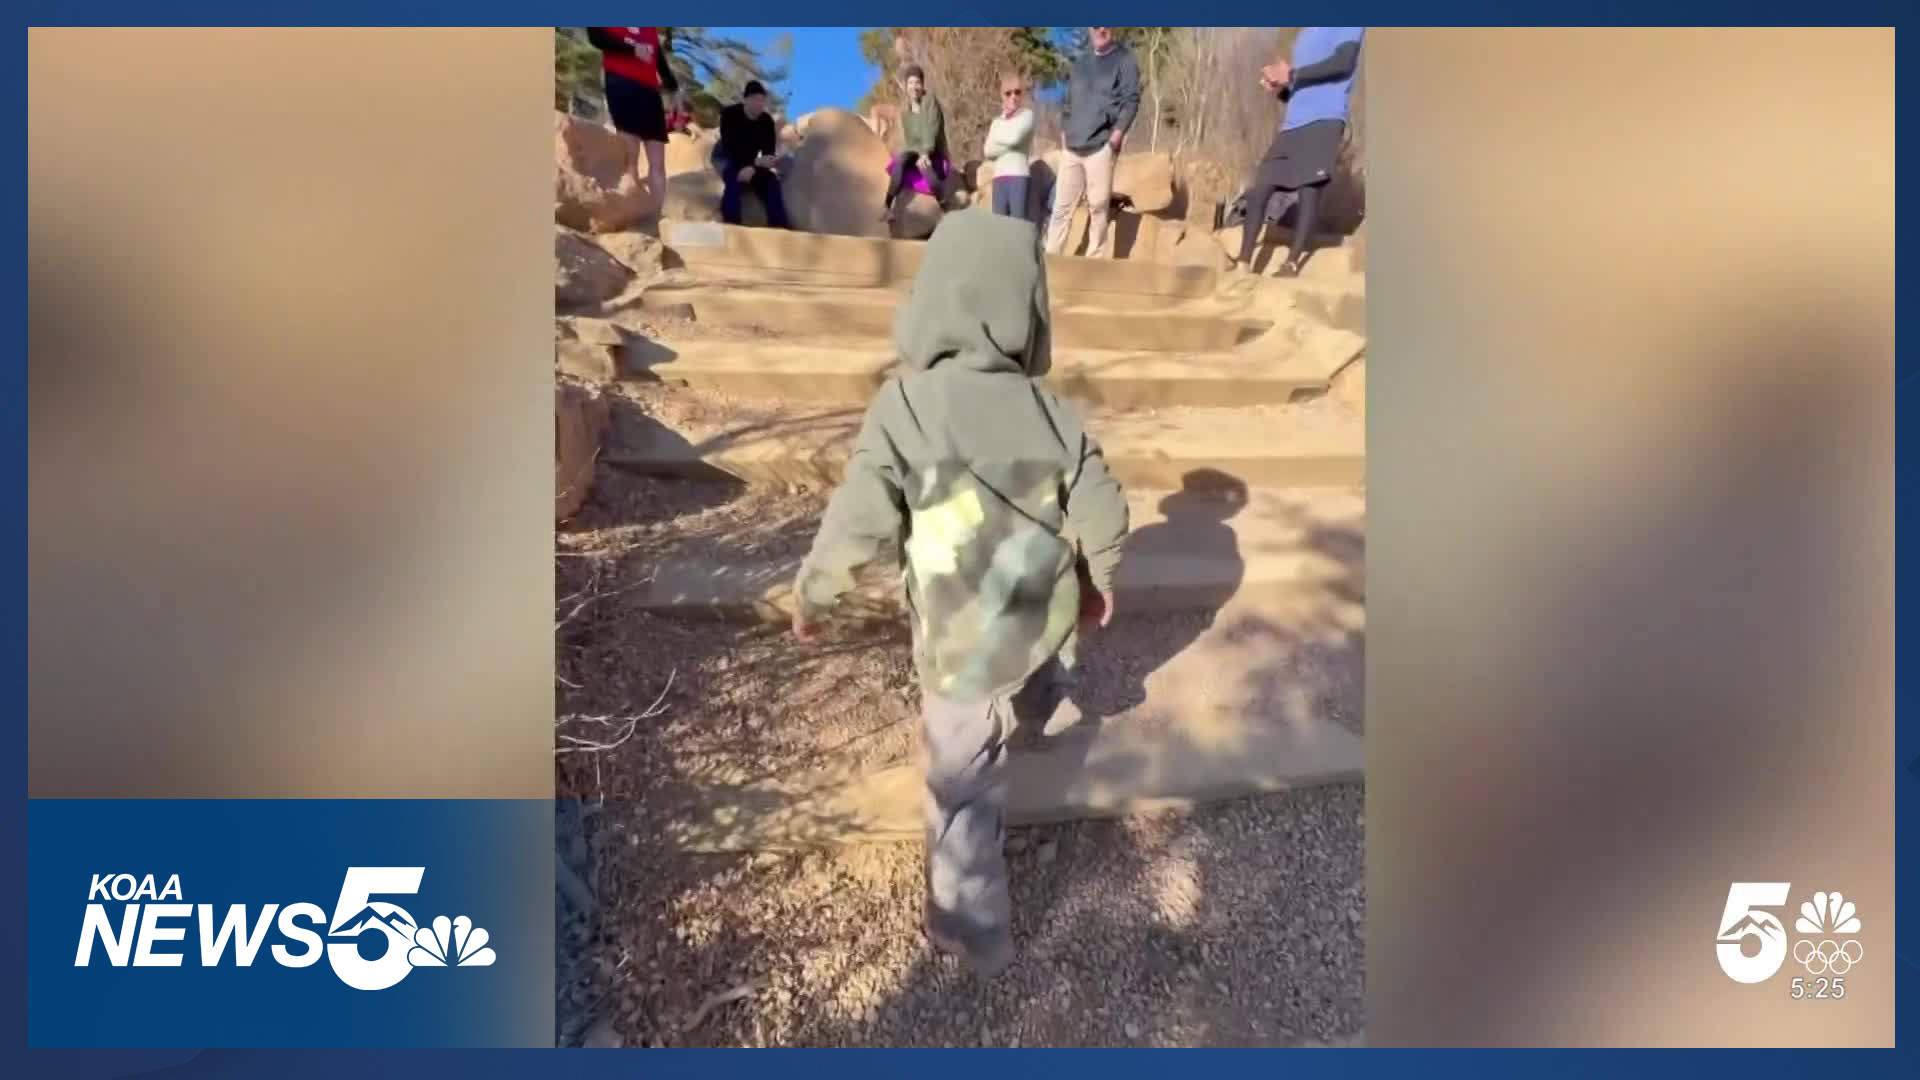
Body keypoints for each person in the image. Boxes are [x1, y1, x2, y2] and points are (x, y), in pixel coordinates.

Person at [791, 210, 1129, 976]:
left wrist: (818, 593)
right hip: (1039, 612)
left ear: (931, 300)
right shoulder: (1053, 413)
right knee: (1042, 663)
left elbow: (858, 518)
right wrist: (1099, 580)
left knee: (964, 784)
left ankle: (972, 927)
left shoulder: (905, 408)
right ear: (1031, 309)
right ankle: (1038, 709)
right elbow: (1106, 510)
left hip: (959, 639)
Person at [1235, 27, 1365, 277]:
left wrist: (1292, 74)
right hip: (1293, 124)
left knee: (1309, 190)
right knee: (1262, 185)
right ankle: (1243, 263)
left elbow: (1343, 62)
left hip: (1325, 118)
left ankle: (1291, 263)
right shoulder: (1306, 33)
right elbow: (1301, 87)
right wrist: (1281, 89)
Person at [1044, 27, 1141, 258]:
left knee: (1098, 208)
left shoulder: (1124, 60)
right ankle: (1051, 260)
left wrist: (1115, 137)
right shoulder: (1081, 63)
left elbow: (1131, 101)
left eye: (1105, 25)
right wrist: (1065, 133)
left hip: (1101, 146)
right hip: (1072, 148)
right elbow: (1068, 102)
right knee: (1061, 208)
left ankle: (1094, 261)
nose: (1100, 30)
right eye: (1095, 26)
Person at [586, 27, 684, 216]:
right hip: (621, 83)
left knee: (657, 160)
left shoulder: (649, 29)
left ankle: (656, 215)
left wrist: (674, 88)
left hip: (650, 91)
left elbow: (659, 60)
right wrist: (632, 49)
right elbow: (596, 38)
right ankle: (632, 212)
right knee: (631, 157)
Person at [713, 80, 791, 229]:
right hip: (725, 156)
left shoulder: (766, 121)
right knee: (733, 178)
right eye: (755, 99)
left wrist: (762, 163)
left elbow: (768, 152)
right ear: (745, 100)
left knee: (771, 182)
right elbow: (730, 146)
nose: (759, 104)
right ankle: (731, 224)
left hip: (752, 161)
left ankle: (779, 226)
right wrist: (751, 165)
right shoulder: (730, 115)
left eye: (762, 100)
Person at [883, 65, 948, 224]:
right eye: (911, 83)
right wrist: (909, 155)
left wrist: (925, 153)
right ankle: (887, 206)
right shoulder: (905, 112)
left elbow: (932, 129)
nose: (914, 87)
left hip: (934, 150)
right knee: (899, 161)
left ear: (922, 85)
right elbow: (910, 141)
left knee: (924, 167)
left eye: (918, 83)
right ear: (906, 86)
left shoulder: (930, 101)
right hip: (916, 150)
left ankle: (944, 205)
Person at [982, 73, 1036, 221]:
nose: (1013, 96)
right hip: (999, 178)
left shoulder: (1027, 115)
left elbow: (1014, 138)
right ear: (1002, 96)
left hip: (1018, 176)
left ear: (1022, 94)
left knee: (1017, 225)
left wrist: (998, 137)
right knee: (999, 226)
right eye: (1008, 93)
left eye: (1017, 92)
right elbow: (988, 151)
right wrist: (1010, 143)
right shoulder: (997, 121)